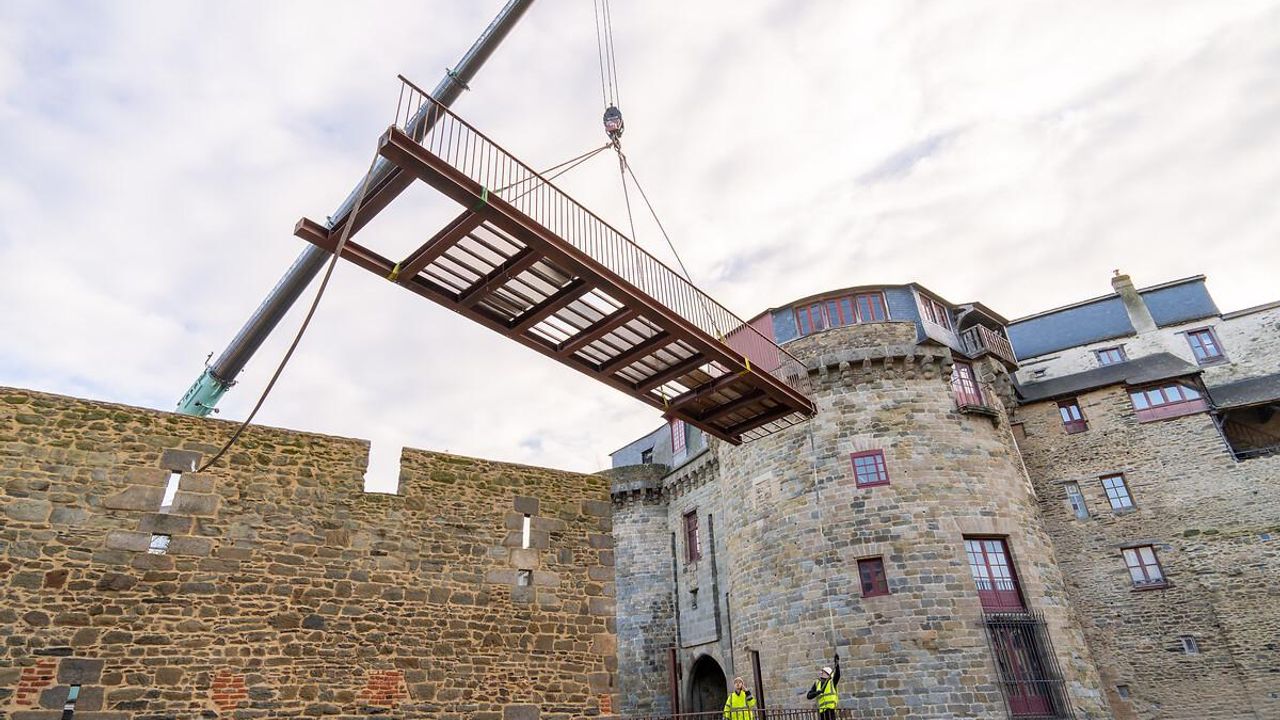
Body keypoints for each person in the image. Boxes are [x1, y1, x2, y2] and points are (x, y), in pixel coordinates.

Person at [805, 653, 840, 719]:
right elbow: (809, 696)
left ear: (828, 674)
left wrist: (837, 664)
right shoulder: (817, 683)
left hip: (831, 711)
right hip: (822, 711)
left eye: (823, 672)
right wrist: (817, 692)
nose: (820, 673)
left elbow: (837, 675)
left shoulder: (832, 682)